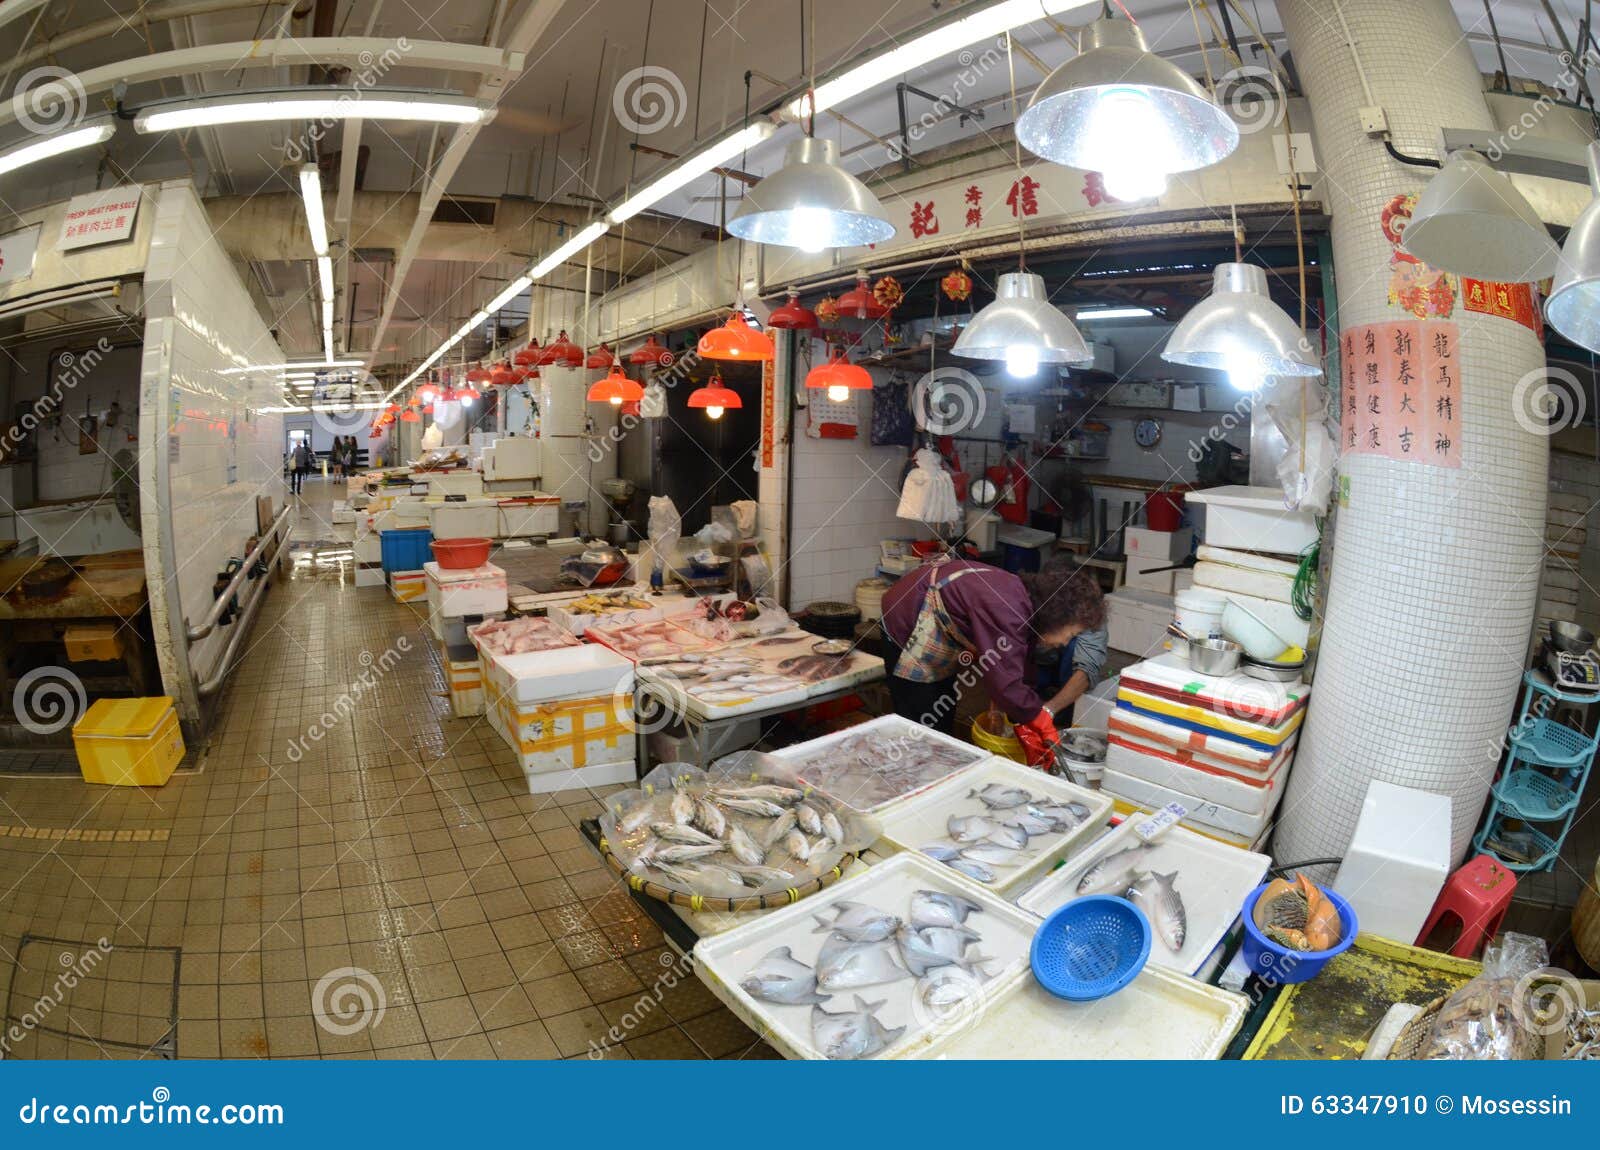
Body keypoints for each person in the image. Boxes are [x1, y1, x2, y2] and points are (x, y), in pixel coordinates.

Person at [880, 554, 1108, 769]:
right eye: (1069, 635)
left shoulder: (1027, 608)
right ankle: (911, 778)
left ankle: (935, 761)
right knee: (922, 720)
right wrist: (1039, 717)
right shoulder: (1008, 608)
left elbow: (1019, 669)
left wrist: (1023, 720)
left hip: (940, 629)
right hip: (906, 616)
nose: (1064, 643)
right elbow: (1004, 682)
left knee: (942, 710)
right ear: (1058, 618)